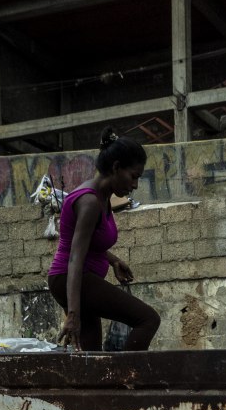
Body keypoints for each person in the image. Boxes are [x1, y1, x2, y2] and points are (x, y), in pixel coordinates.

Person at [47, 127, 160, 351]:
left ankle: (98, 385)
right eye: (134, 176)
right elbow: (75, 259)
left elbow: (87, 242)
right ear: (116, 167)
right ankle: (126, 378)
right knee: (147, 320)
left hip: (75, 279)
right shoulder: (89, 202)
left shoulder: (101, 197)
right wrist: (72, 314)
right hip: (72, 277)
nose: (135, 185)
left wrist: (113, 260)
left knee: (90, 353)